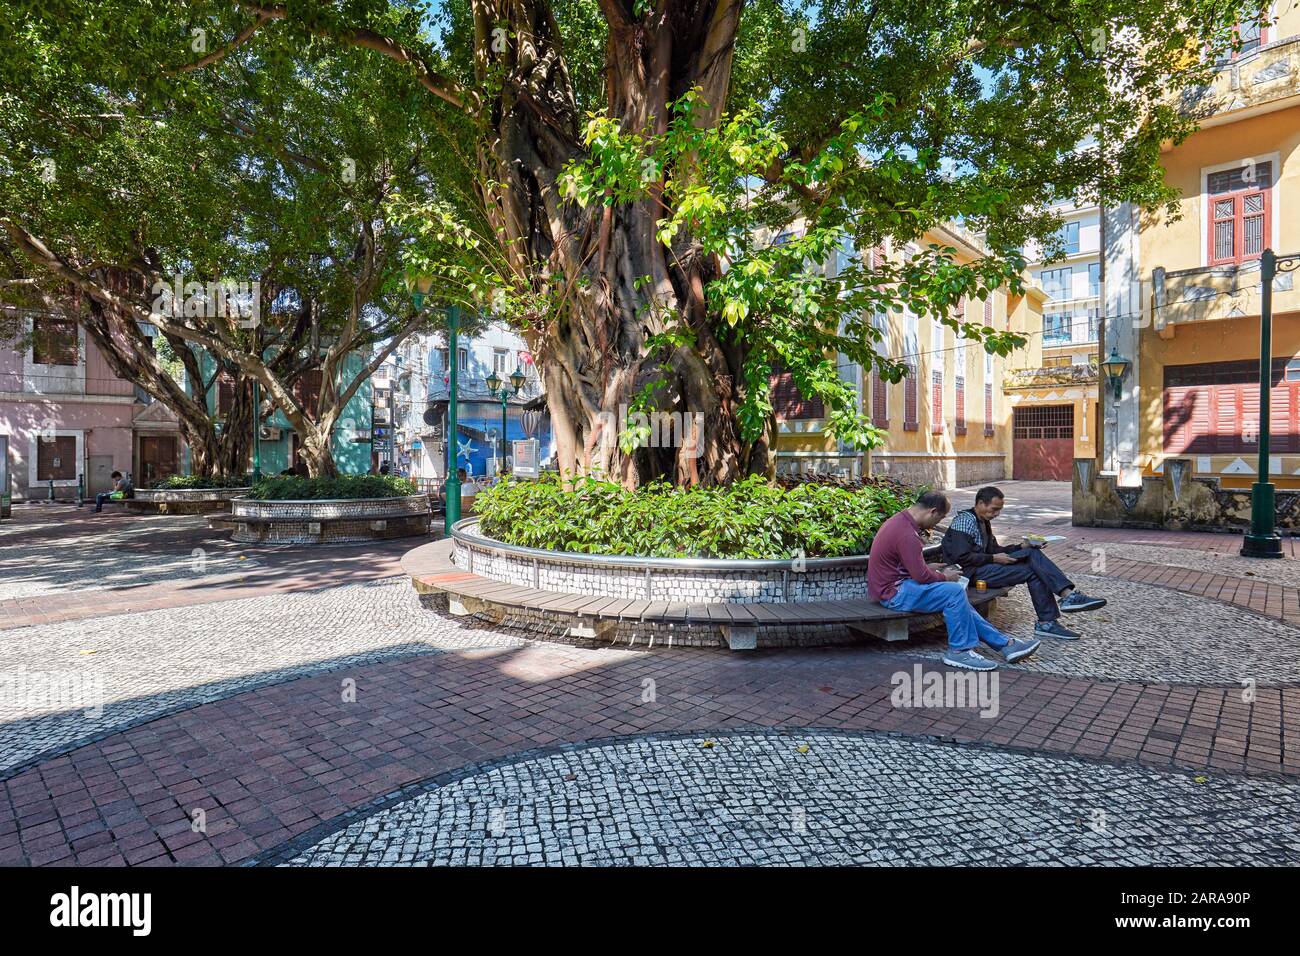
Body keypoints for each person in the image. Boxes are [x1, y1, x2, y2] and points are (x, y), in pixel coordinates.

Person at [868, 490, 1040, 671]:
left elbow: (902, 566)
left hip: (895, 585)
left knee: (957, 598)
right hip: (894, 593)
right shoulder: (907, 534)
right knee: (955, 591)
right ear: (932, 511)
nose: (936, 524)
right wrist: (945, 576)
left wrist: (930, 567)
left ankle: (1006, 644)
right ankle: (959, 651)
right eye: (940, 518)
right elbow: (921, 577)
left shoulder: (900, 521)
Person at [941, 486, 1106, 641]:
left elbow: (995, 549)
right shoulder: (964, 521)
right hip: (970, 574)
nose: (997, 513)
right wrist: (994, 559)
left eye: (999, 510)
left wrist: (1022, 546)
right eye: (994, 509)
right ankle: (1065, 599)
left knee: (1033, 565)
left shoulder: (983, 521)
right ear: (980, 503)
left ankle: (1048, 621)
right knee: (1033, 559)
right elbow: (960, 557)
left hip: (983, 568)